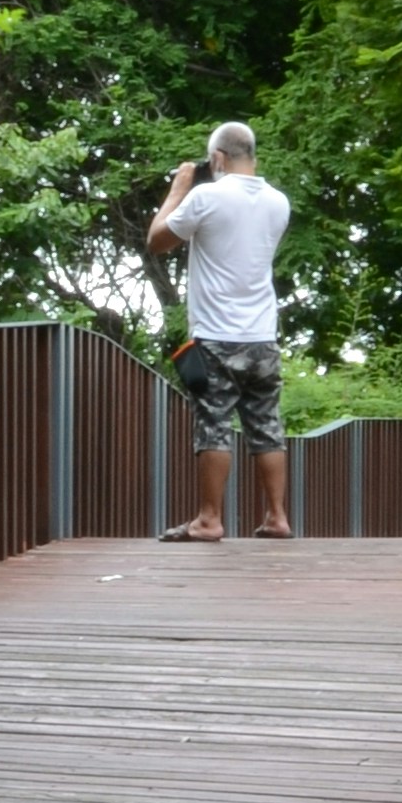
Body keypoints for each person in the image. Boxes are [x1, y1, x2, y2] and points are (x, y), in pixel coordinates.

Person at [148, 122, 292, 541]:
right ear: (254, 157)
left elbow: (157, 241)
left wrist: (179, 187)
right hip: (263, 334)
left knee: (214, 424)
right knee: (266, 425)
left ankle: (209, 520)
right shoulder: (279, 202)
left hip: (216, 334)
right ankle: (277, 516)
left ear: (216, 159)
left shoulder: (205, 196)